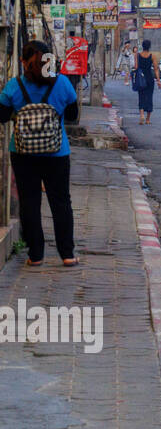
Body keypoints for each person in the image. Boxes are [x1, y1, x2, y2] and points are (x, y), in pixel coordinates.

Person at [0, 42, 80, 267]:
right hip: (57, 152)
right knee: (61, 201)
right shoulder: (62, 82)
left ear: (23, 62)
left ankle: (36, 255)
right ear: (49, 60)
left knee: (29, 202)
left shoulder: (14, 86)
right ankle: (67, 254)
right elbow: (73, 115)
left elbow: (2, 116)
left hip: (23, 153)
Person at [134, 39, 160, 125]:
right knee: (149, 97)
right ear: (149, 46)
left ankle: (141, 115)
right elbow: (156, 69)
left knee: (141, 96)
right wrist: (158, 81)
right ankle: (148, 119)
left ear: (142, 46)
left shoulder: (137, 55)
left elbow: (136, 67)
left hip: (141, 78)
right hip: (149, 78)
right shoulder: (152, 56)